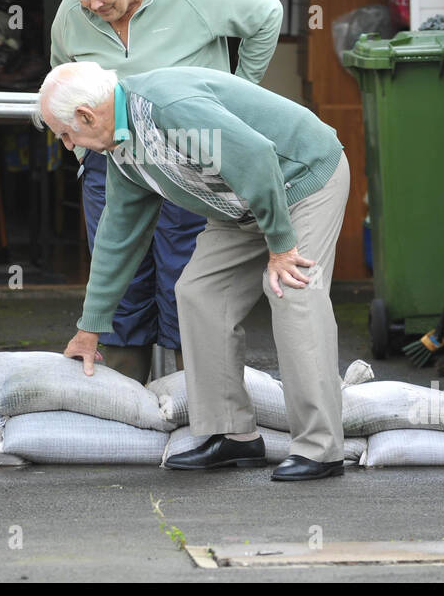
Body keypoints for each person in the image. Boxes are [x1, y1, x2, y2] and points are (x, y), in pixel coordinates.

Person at [36, 61, 349, 481]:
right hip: (238, 205)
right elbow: (119, 234)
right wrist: (89, 327)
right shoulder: (122, 148)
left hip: (302, 180)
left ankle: (320, 447)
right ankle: (231, 434)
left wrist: (280, 247)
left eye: (66, 134)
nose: (69, 145)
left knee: (292, 291)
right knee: (198, 291)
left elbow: (256, 157)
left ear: (87, 116)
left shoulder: (168, 107)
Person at [49, 0, 281, 383]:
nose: (92, 5)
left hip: (188, 152)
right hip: (112, 152)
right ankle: (123, 401)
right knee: (119, 270)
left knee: (187, 274)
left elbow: (267, 13)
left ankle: (197, 401)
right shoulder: (71, 12)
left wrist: (237, 95)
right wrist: (76, 141)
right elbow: (63, 73)